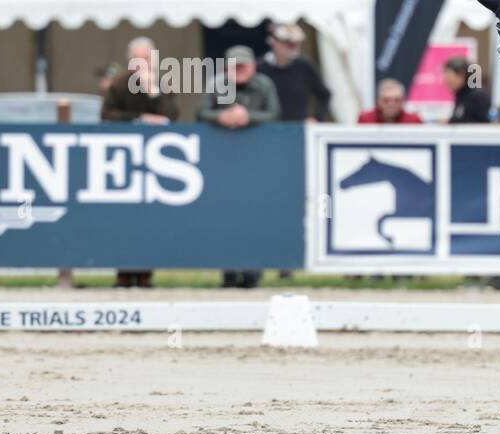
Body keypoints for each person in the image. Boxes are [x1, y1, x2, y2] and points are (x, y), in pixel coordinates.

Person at [199, 45, 280, 289]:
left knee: (257, 213)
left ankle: (253, 269)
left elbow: (274, 114)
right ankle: (229, 270)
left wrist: (248, 117)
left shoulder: (264, 85)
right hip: (225, 159)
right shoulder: (219, 84)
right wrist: (221, 117)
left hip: (258, 159)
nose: (240, 70)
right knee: (226, 214)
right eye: (235, 66)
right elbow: (201, 112)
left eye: (244, 66)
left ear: (253, 67)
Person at [102, 36, 179, 289]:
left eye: (146, 58)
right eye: (138, 59)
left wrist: (152, 90)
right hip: (123, 159)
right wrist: (139, 118)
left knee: (151, 218)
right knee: (121, 216)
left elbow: (171, 115)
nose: (142, 63)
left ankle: (146, 272)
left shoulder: (162, 84)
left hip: (156, 163)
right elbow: (107, 115)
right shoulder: (119, 84)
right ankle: (123, 273)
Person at [258, 23, 332, 121]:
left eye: (296, 43)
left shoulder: (304, 66)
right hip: (266, 127)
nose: (293, 46)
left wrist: (317, 118)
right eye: (287, 42)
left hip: (298, 127)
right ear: (273, 42)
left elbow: (324, 94)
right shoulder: (260, 67)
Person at [444, 56, 492, 123]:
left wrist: (449, 122)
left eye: (449, 76)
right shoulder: (460, 95)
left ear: (461, 75)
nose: (446, 81)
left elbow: (473, 122)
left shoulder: (477, 96)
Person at [358, 78, 423, 124]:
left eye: (396, 100)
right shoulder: (365, 119)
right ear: (378, 101)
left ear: (403, 101)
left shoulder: (413, 121)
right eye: (386, 100)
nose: (391, 104)